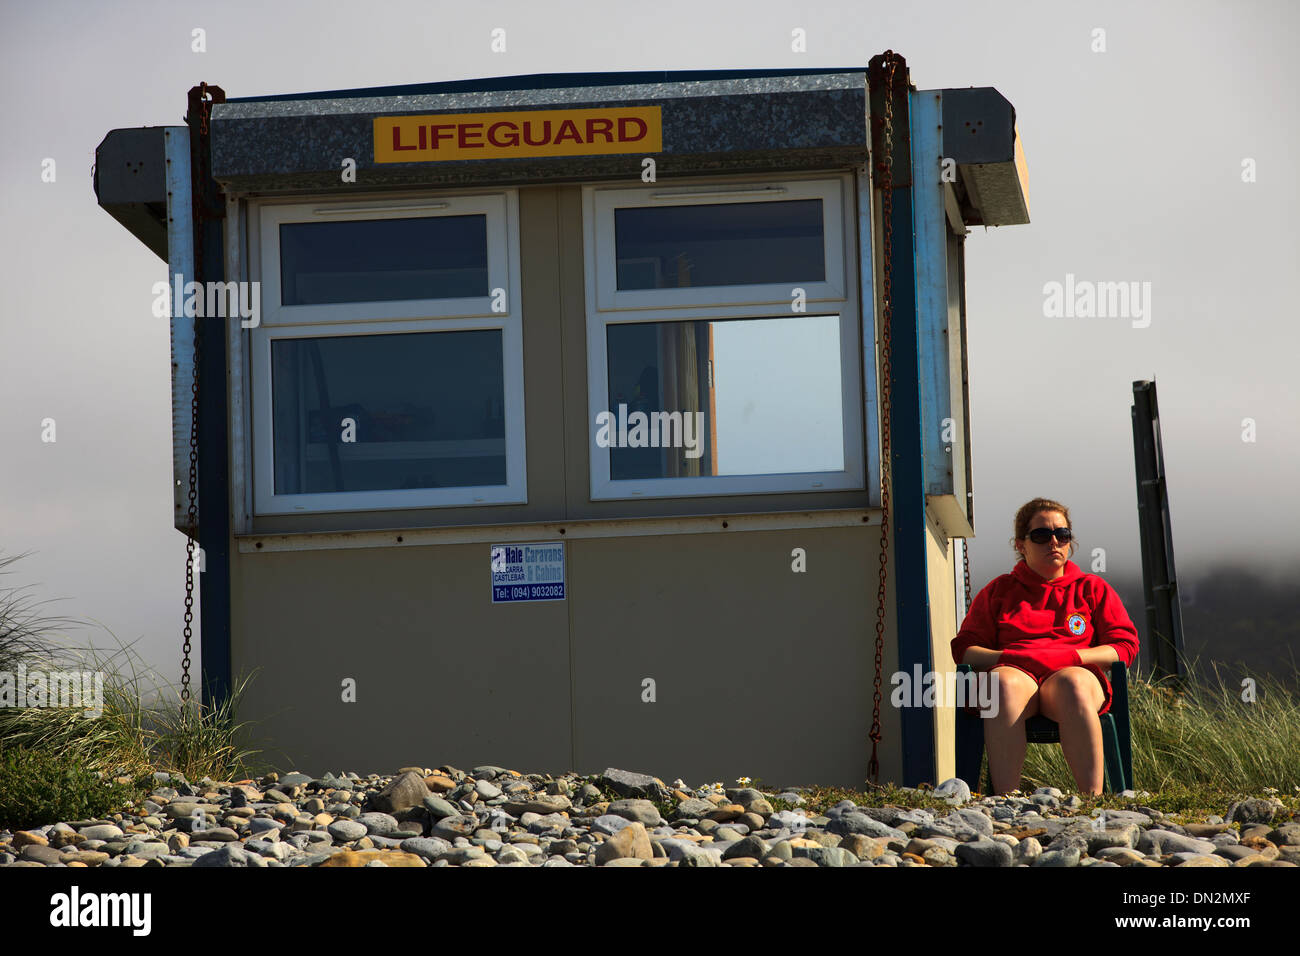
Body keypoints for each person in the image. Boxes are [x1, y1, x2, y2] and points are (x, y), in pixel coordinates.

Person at [951, 497, 1140, 795]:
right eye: (1041, 535)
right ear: (1020, 544)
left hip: (1072, 675)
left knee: (1074, 685)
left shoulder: (1092, 588)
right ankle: (1005, 803)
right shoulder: (998, 591)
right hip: (1016, 676)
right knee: (1000, 685)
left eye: (1062, 534)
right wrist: (1009, 657)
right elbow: (965, 650)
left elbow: (1124, 645)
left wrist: (1075, 655)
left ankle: (1094, 802)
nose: (1053, 542)